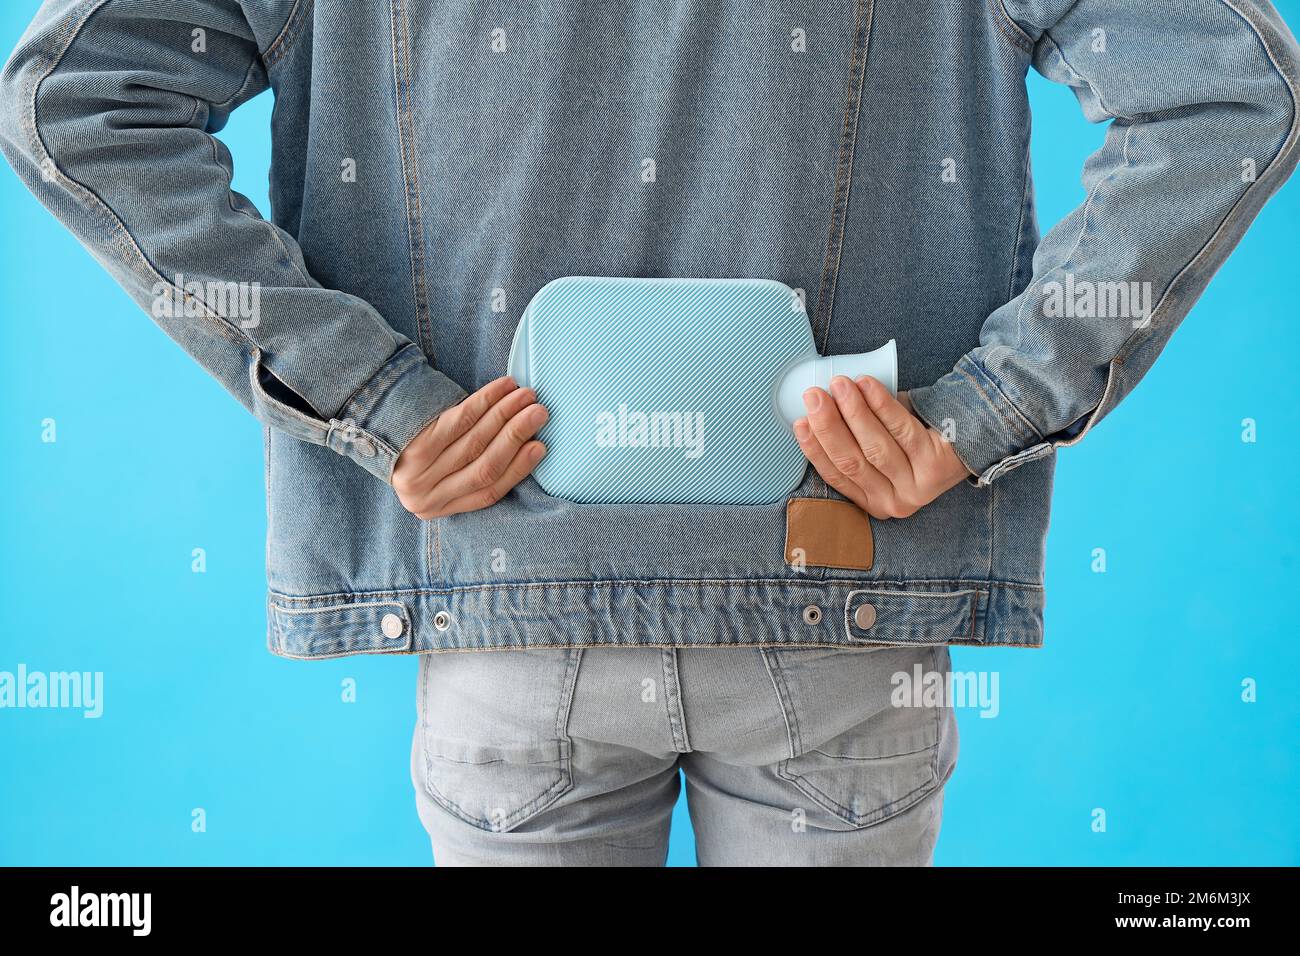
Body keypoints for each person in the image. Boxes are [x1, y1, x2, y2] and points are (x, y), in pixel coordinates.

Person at [2, 0, 1295, 866]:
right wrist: (991, 407)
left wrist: (373, 399)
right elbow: (1229, 93)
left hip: (510, 599)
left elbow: (76, 103)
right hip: (837, 596)